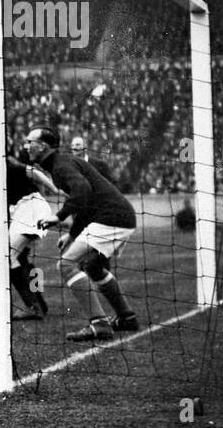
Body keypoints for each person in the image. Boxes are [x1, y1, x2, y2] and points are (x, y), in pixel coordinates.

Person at [22, 126, 138, 341]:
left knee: (66, 265)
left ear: (44, 146)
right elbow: (85, 203)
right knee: (93, 266)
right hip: (120, 216)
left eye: (30, 142)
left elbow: (82, 191)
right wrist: (73, 234)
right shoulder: (61, 163)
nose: (26, 146)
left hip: (111, 218)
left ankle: (100, 324)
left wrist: (59, 216)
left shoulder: (60, 166)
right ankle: (127, 317)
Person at [6, 148, 61, 321]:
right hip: (26, 210)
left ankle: (33, 307)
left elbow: (33, 172)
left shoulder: (2, 164)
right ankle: (40, 303)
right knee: (22, 259)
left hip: (30, 208)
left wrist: (54, 189)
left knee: (7, 256)